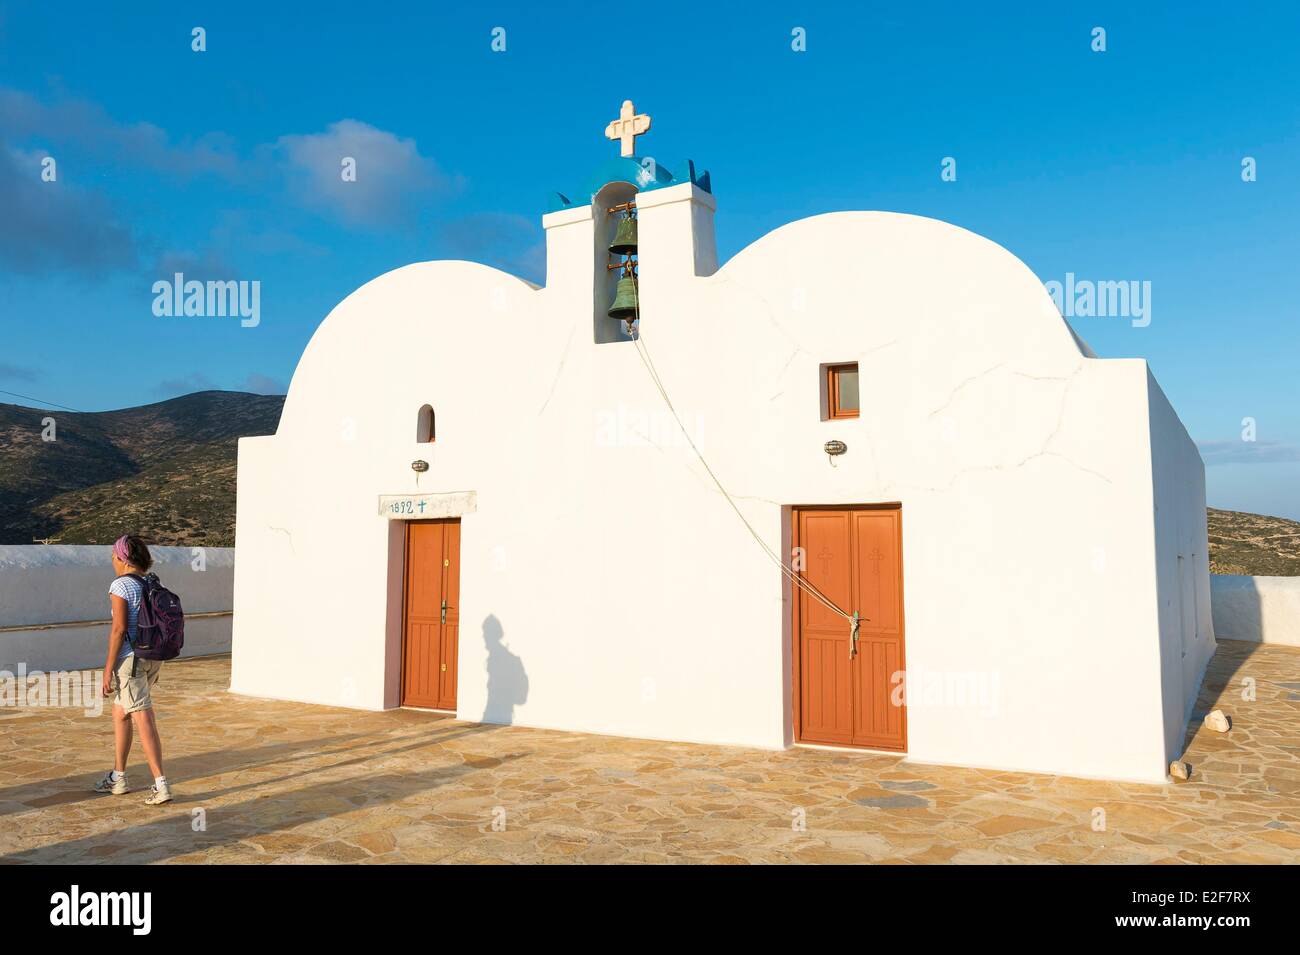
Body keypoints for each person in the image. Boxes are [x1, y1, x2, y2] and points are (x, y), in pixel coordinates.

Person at [93, 535, 172, 805]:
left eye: (114, 557)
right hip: (153, 657)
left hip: (131, 661)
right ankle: (118, 777)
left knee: (142, 717)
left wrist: (108, 669)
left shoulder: (120, 585)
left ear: (122, 558)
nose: (112, 561)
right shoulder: (152, 582)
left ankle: (161, 784)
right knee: (121, 712)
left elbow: (119, 629)